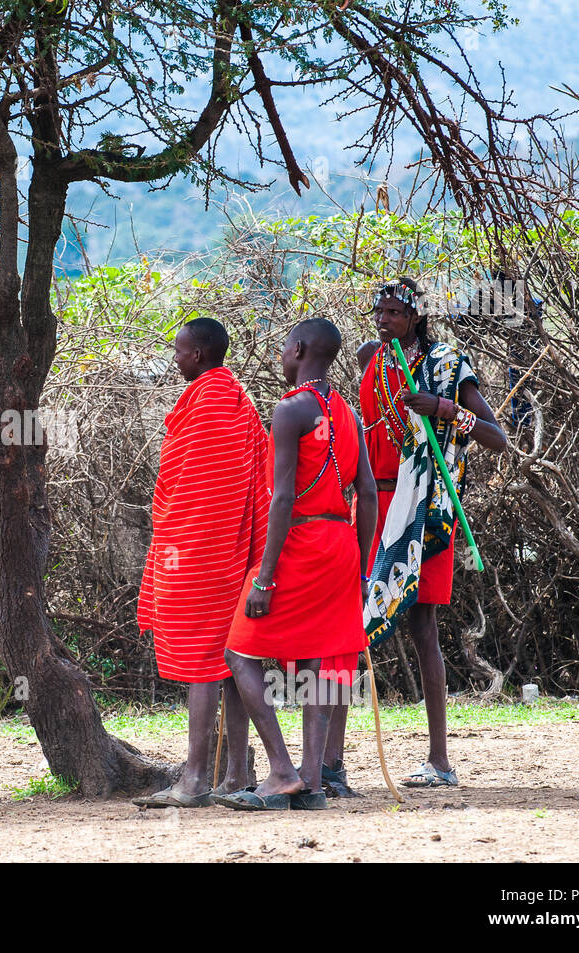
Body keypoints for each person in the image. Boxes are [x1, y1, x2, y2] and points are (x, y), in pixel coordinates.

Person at [323, 278, 506, 793]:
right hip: (370, 506)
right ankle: (331, 764)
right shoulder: (370, 356)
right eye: (379, 312)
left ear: (418, 316)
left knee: (423, 627)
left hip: (424, 512)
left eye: (394, 314)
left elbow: (497, 438)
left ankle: (440, 760)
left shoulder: (448, 366)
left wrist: (444, 409)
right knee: (349, 624)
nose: (383, 322)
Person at [217, 318, 377, 811]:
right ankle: (310, 783)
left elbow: (282, 498)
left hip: (300, 543)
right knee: (319, 660)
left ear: (300, 348)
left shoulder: (289, 410)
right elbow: (367, 493)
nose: (281, 355)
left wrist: (264, 576)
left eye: (285, 347)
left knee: (239, 653)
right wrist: (363, 567)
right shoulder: (348, 413)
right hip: (342, 545)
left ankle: (282, 771)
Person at [133, 317, 268, 808]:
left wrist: (176, 541)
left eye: (180, 350)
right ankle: (234, 776)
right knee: (233, 661)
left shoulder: (210, 403)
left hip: (199, 552)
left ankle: (193, 779)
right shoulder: (238, 399)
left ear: (199, 355)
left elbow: (195, 491)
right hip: (237, 552)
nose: (175, 358)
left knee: (202, 664)